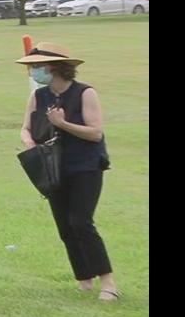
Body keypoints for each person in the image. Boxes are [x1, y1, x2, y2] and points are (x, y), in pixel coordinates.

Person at [17, 42, 119, 301]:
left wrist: (63, 124)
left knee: (81, 222)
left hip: (85, 166)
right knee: (65, 227)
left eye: (36, 66)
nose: (33, 71)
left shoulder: (85, 93)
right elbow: (26, 127)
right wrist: (29, 143)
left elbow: (95, 133)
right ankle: (84, 280)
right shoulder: (39, 96)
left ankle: (108, 283)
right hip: (52, 167)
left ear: (54, 67)